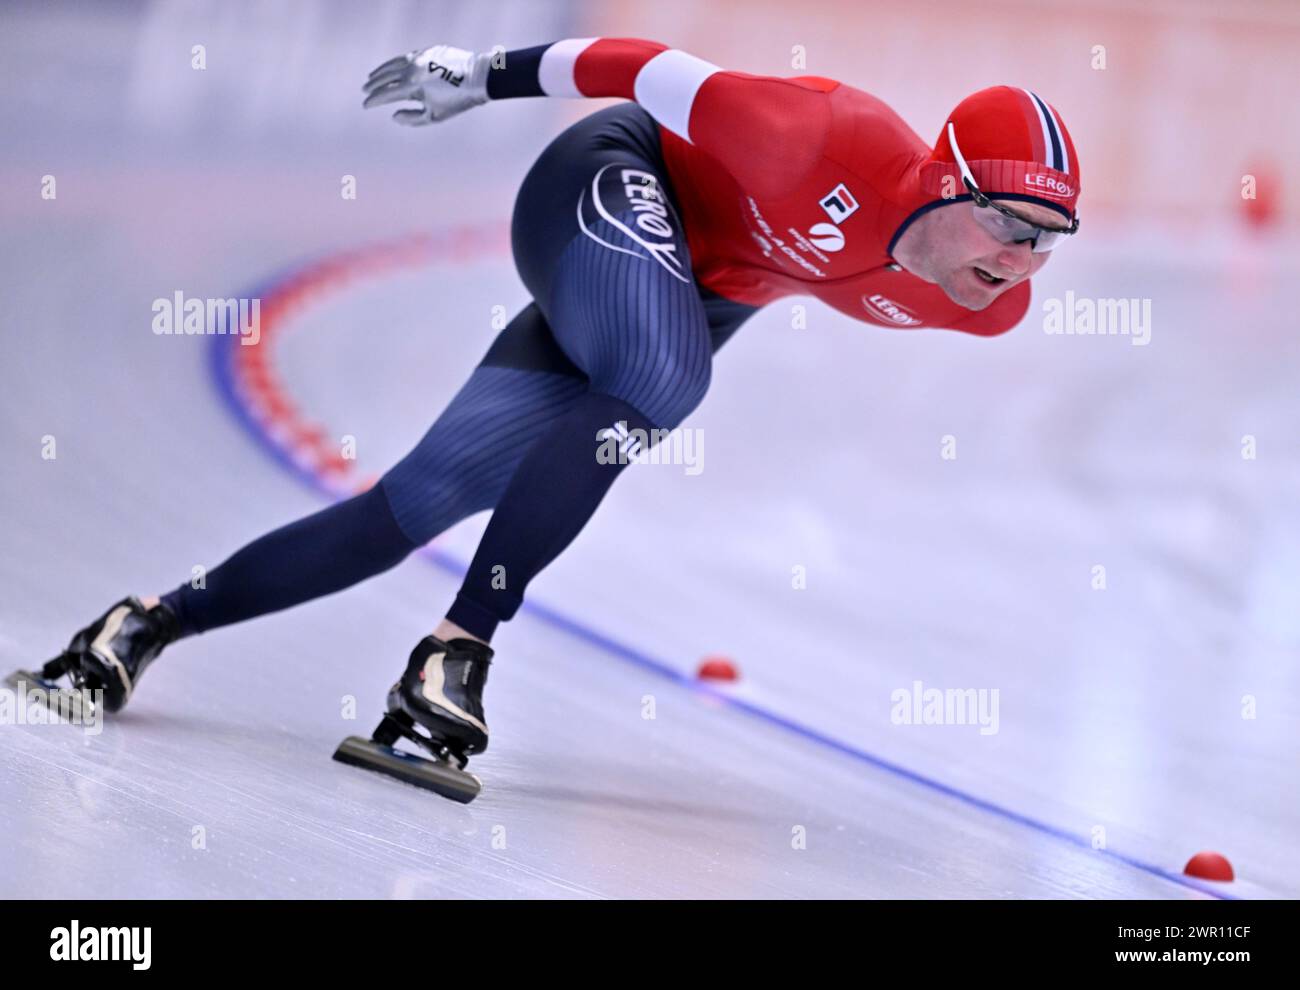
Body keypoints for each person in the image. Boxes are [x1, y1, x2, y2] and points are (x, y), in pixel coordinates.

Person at [31, 38, 1080, 792]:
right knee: (668, 376)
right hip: (611, 177)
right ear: (943, 181)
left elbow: (765, 284)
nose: (1017, 259)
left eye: (1048, 239)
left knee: (417, 502)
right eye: (1004, 221)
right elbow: (636, 64)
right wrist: (476, 78)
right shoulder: (811, 134)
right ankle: (458, 652)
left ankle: (142, 626)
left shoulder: (985, 307)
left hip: (694, 294)